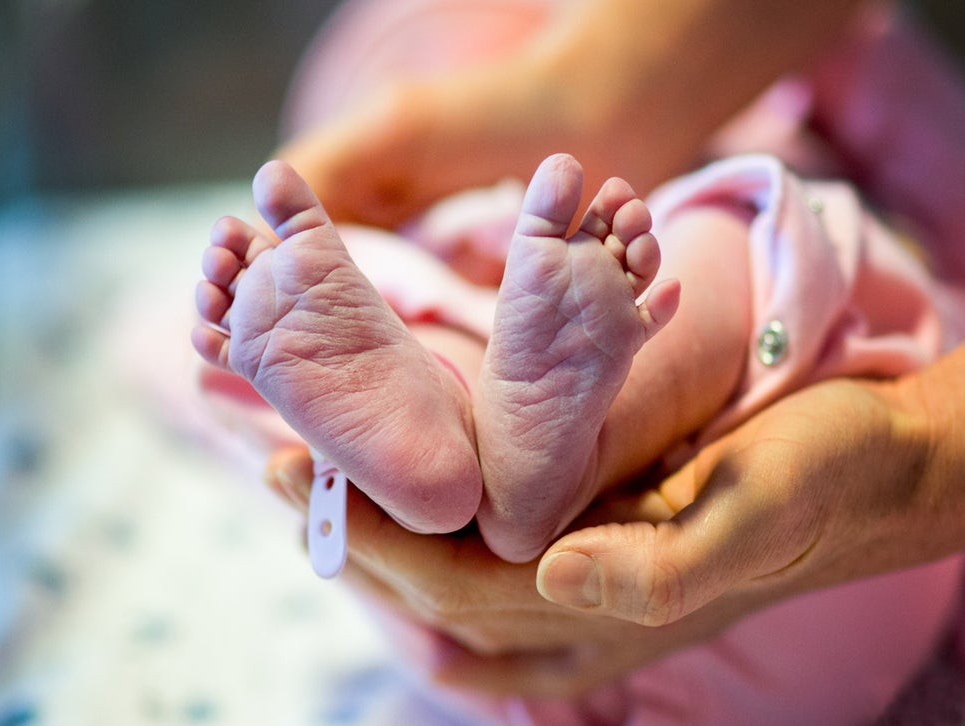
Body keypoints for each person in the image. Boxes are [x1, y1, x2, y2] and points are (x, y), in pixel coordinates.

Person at [194, 143, 964, 722]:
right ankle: (550, 451)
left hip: (535, 670)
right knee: (749, 245)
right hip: (822, 652)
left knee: (357, 396)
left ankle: (465, 460)